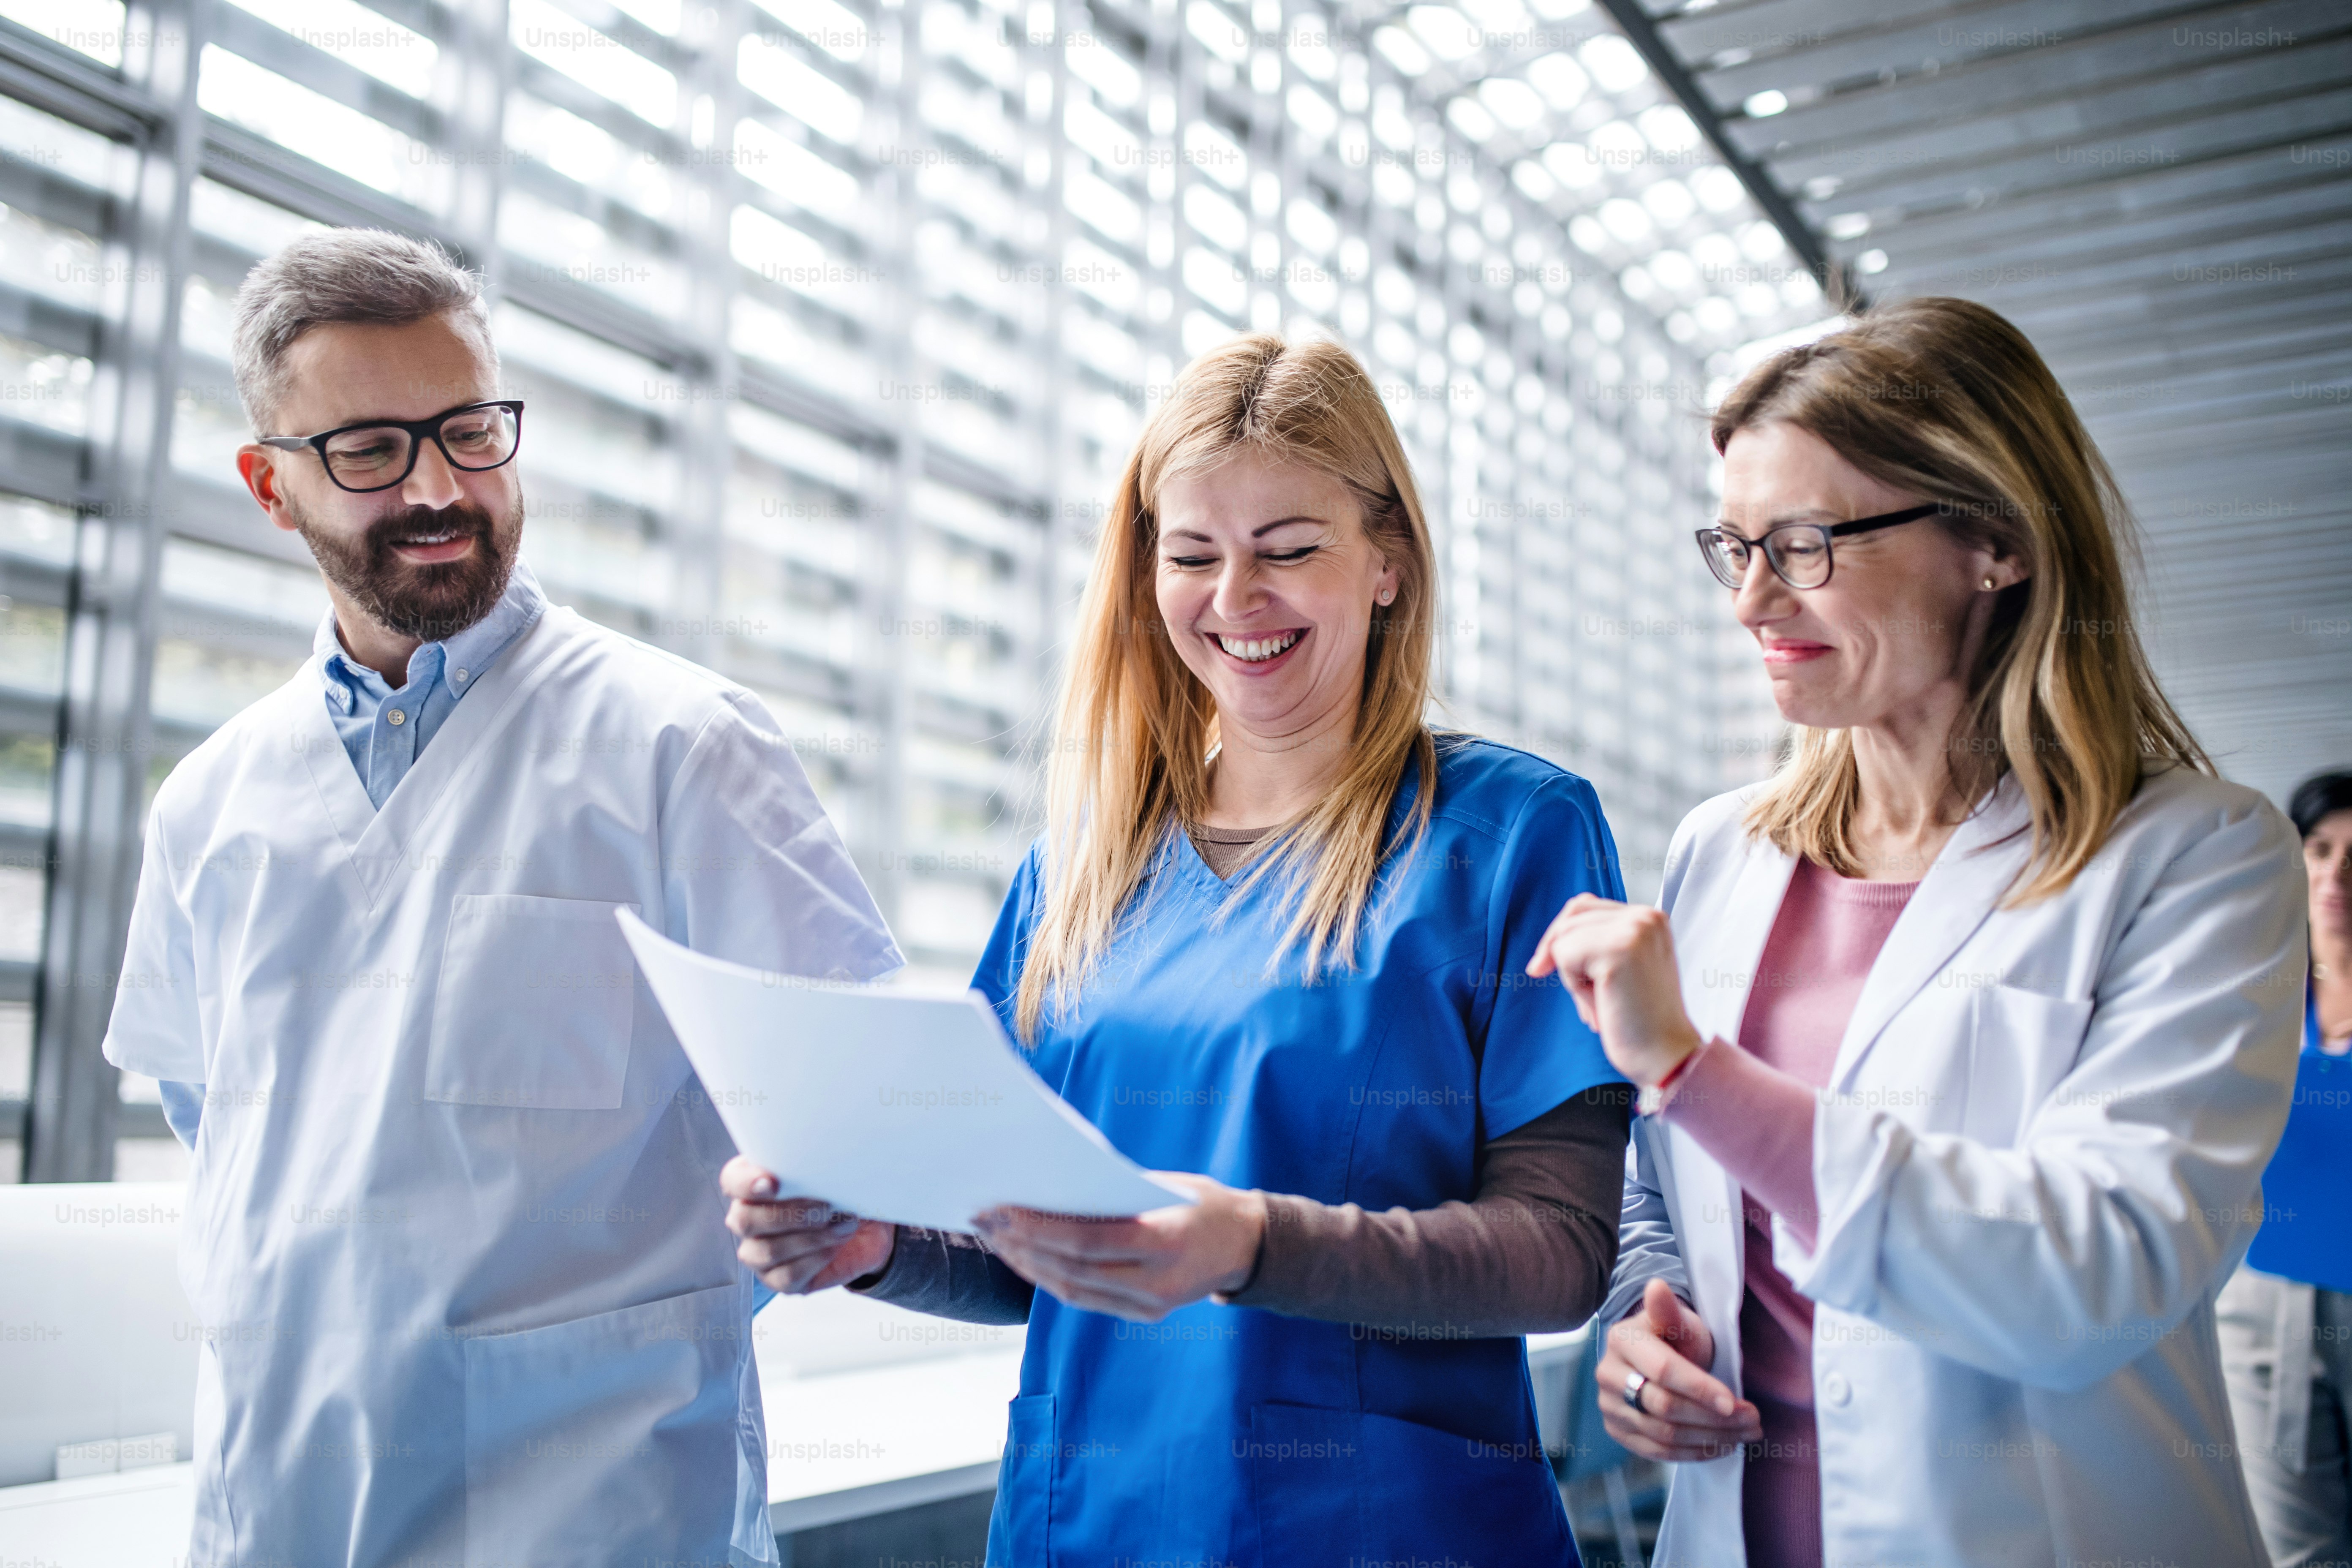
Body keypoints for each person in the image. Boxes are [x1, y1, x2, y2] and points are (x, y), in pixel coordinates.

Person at [723, 335, 1631, 1566]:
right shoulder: (1083, 870)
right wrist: (875, 1246)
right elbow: (1022, 1246)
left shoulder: (1510, 835)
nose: (1235, 600)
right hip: (1090, 1525)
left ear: (1388, 567)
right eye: (1193, 555)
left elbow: (1563, 1254)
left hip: (1378, 1531)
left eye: (1290, 550)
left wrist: (1253, 1243)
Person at [102, 230, 900, 1568]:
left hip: (602, 1520)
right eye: (368, 450)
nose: (437, 487)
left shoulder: (681, 750)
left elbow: (867, 1110)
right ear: (267, 484)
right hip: (277, 1509)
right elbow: (234, 1148)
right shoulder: (209, 805)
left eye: (470, 432)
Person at [1528, 297, 2307, 1567]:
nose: (1754, 603)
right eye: (1735, 548)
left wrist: (1691, 1071)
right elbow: (1665, 1195)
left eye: (1807, 544)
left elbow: (2096, 1272)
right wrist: (1639, 1325)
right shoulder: (1724, 851)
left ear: (1994, 542)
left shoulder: (2197, 862)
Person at [2219, 768, 2352, 1567]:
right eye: (2322, 850)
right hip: (2264, 1308)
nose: (2337, 877)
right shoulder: (2251, 988)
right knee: (2301, 1551)